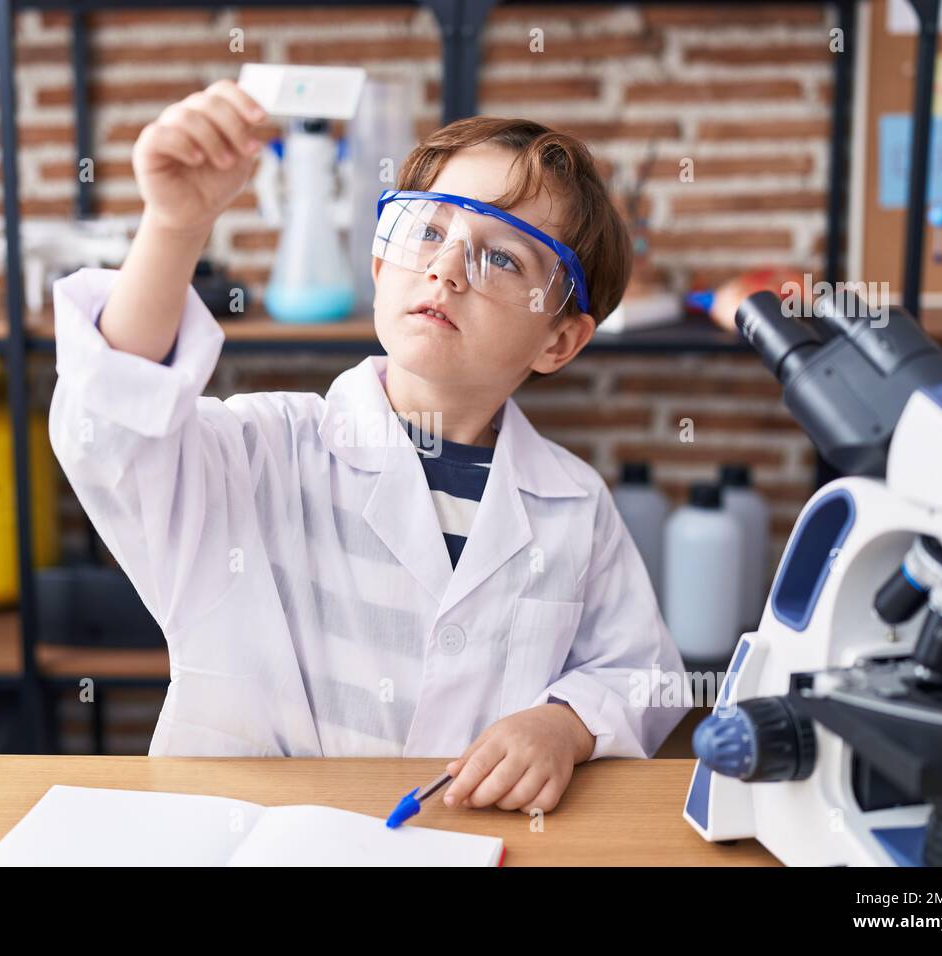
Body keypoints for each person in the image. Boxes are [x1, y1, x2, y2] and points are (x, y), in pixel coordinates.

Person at [49, 79, 689, 814]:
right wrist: (173, 226)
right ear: (382, 266)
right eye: (427, 232)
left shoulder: (574, 505)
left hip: (464, 844)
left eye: (505, 259)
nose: (447, 268)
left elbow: (644, 673)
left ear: (560, 340)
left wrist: (564, 724)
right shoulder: (264, 450)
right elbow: (114, 426)